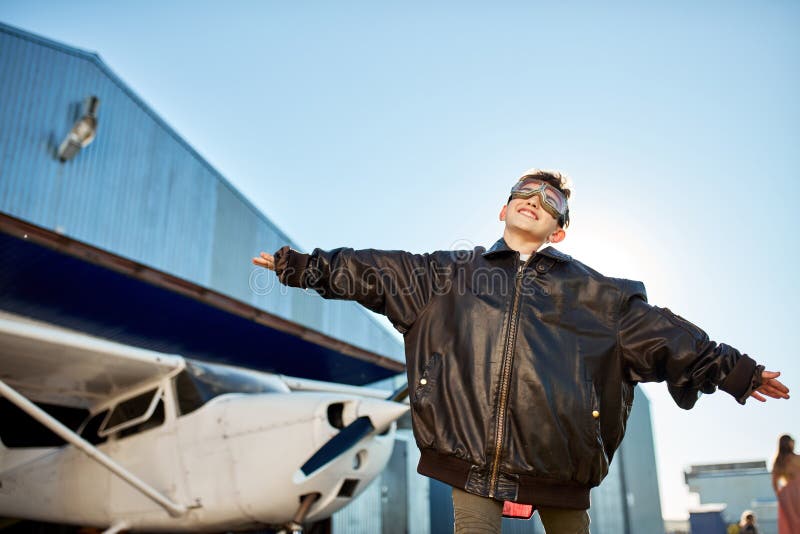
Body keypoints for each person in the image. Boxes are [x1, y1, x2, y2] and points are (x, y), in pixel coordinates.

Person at [252, 169, 790, 533]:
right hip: (466, 452)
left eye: (550, 201)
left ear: (559, 231)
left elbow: (666, 336)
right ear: (503, 209)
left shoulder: (598, 296)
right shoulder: (447, 277)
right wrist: (301, 267)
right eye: (524, 193)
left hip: (560, 463)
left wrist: (735, 371)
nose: (535, 201)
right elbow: (371, 271)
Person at [772, 434, 800, 534]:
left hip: (785, 494)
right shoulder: (797, 458)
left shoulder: (778, 461)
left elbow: (774, 482)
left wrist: (780, 495)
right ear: (788, 443)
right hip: (797, 491)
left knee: (790, 525)